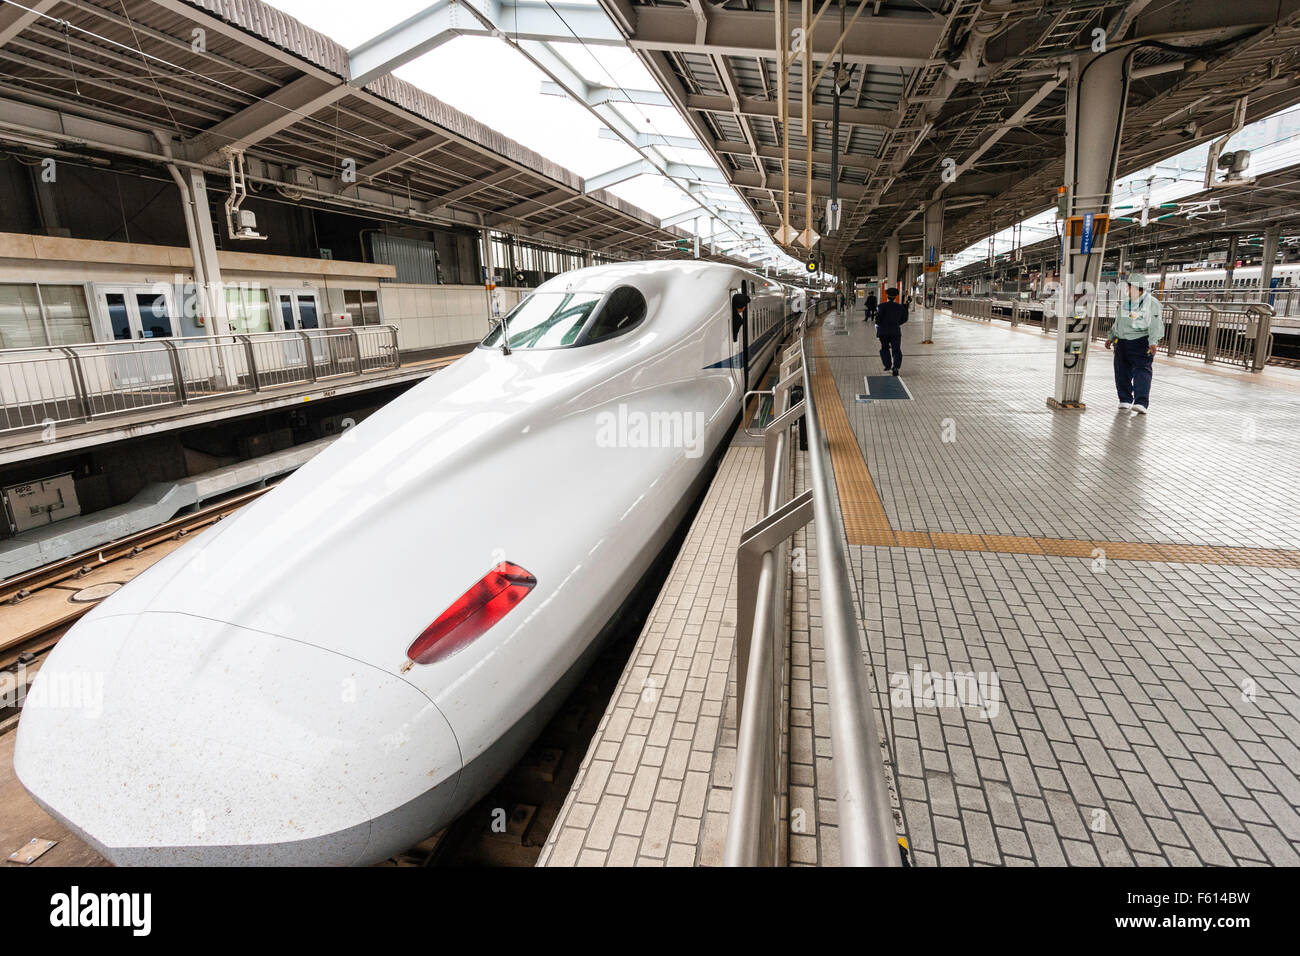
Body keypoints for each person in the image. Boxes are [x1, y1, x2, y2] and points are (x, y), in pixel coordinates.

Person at [1105, 271, 1164, 414]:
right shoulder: (1127, 303)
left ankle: (1141, 402)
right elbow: (1119, 322)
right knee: (1121, 372)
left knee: (1142, 371)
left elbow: (1154, 323)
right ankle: (1125, 399)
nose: (1127, 289)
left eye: (1129, 286)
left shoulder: (1152, 303)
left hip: (1140, 342)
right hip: (1122, 342)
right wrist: (1111, 336)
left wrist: (1153, 341)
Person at [875, 287, 908, 376]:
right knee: (896, 349)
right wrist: (897, 323)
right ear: (896, 296)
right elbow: (905, 319)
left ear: (887, 296)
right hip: (895, 331)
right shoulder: (900, 307)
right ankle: (896, 367)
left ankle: (887, 365)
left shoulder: (881, 306)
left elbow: (877, 320)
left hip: (883, 332)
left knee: (885, 348)